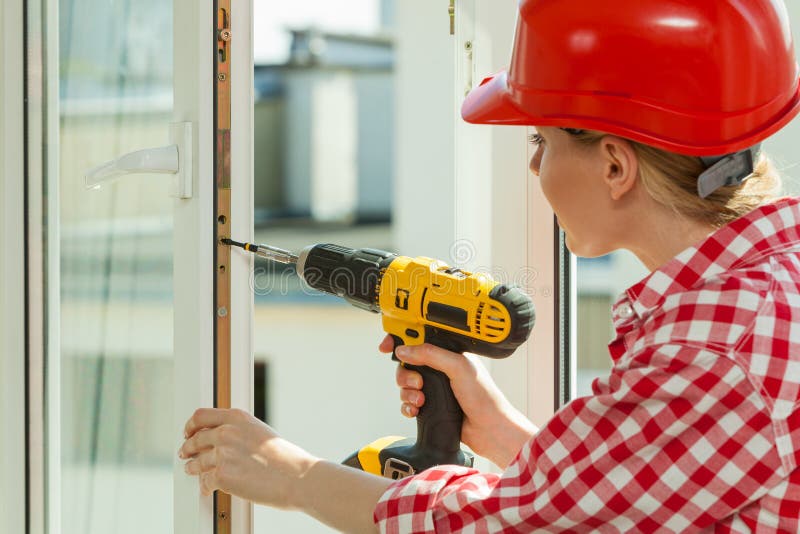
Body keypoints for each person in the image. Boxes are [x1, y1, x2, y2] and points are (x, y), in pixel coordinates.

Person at [179, 1, 800, 531]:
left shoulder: (716, 349)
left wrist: (294, 477)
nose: (533, 169)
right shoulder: (761, 289)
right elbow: (632, 500)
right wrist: (498, 429)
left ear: (614, 166)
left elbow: (510, 526)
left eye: (541, 143)